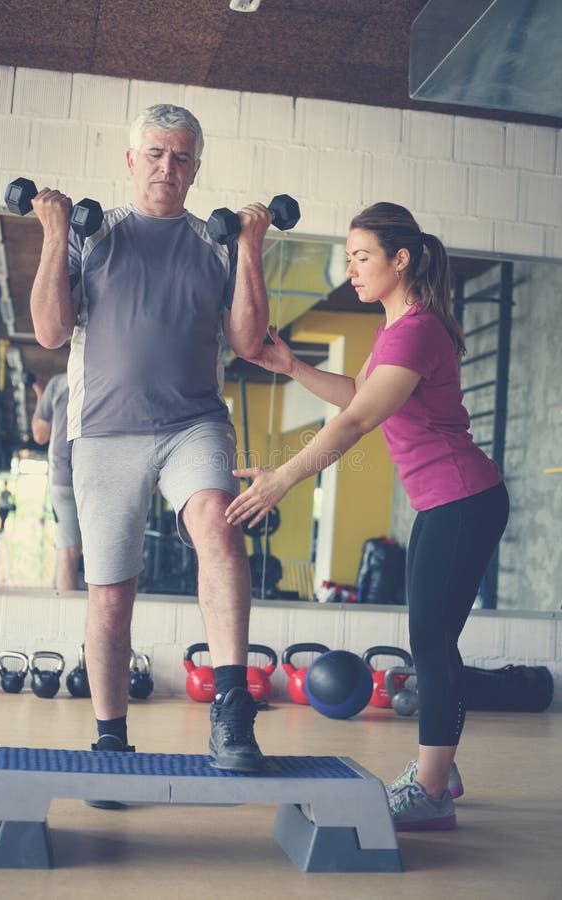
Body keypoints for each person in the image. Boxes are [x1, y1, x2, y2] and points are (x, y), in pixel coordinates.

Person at [226, 202, 509, 830]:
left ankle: (431, 791)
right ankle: (442, 765)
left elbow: (355, 422)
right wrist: (293, 368)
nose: (352, 270)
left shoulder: (416, 330)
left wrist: (282, 479)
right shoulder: (398, 327)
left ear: (399, 258)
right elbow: (360, 393)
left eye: (362, 257)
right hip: (451, 501)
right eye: (349, 259)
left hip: (461, 500)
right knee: (436, 644)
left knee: (430, 645)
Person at [29, 104, 272, 777]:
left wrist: (249, 247)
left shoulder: (214, 243)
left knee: (219, 533)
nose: (169, 167)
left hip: (193, 424)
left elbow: (249, 342)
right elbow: (50, 331)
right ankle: (110, 736)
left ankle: (230, 709)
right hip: (105, 435)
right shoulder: (93, 234)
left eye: (183, 157)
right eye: (157, 154)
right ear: (131, 161)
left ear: (196, 169)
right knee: (111, 595)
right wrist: (54, 233)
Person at [31, 373, 82, 591]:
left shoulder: (59, 383)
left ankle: (66, 618)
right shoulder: (114, 374)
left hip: (65, 477)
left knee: (69, 550)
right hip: (102, 475)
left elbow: (40, 435)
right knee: (105, 552)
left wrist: (40, 396)